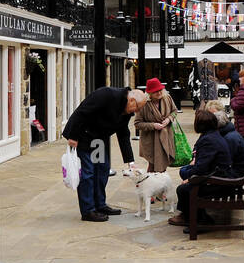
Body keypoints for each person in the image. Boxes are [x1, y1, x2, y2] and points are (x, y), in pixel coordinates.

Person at [62, 86, 147, 222]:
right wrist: (73, 136)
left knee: (102, 170)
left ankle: (100, 205)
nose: (137, 112)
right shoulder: (106, 95)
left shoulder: (126, 110)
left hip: (98, 140)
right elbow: (82, 112)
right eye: (137, 108)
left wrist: (130, 161)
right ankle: (88, 210)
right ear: (131, 100)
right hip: (82, 136)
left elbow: (123, 134)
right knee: (88, 173)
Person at [168, 107, 233, 229]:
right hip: (219, 175)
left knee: (183, 189)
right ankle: (189, 215)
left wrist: (191, 178)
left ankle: (199, 220)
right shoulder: (212, 135)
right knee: (185, 178)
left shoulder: (209, 139)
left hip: (220, 183)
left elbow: (201, 169)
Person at [134, 78, 177, 174]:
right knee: (152, 165)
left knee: (164, 162)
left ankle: (160, 183)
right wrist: (153, 125)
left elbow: (174, 111)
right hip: (151, 140)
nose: (159, 93)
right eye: (155, 91)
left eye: (160, 90)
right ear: (149, 93)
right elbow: (137, 123)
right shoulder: (144, 104)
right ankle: (151, 184)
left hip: (166, 136)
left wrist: (169, 119)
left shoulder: (167, 98)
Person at [211, 104, 244, 177]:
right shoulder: (229, 133)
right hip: (235, 170)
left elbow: (226, 161)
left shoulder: (229, 138)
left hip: (234, 173)